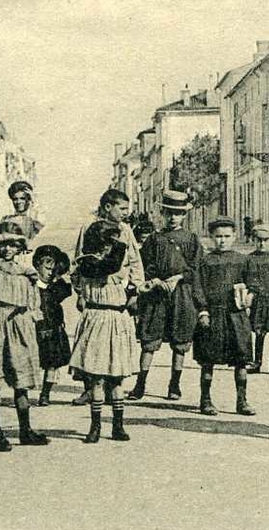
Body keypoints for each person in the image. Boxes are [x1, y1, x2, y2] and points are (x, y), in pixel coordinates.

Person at [0, 221, 49, 449]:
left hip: (20, 326)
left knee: (21, 380)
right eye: (3, 244)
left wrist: (33, 324)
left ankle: (25, 430)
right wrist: (4, 235)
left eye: (12, 245)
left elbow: (35, 304)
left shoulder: (28, 273)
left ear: (20, 248)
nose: (7, 249)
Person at [70, 219, 138, 443]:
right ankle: (95, 425)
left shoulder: (117, 265)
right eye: (106, 242)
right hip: (97, 319)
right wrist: (119, 243)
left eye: (111, 243)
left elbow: (121, 268)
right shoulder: (89, 263)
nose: (109, 247)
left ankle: (118, 426)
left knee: (117, 379)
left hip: (116, 320)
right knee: (97, 378)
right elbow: (106, 266)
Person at [130, 190, 200, 400]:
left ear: (184, 216)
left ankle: (174, 385)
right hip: (157, 296)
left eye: (177, 214)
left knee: (180, 340)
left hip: (181, 294)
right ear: (163, 213)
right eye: (169, 213)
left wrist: (178, 278)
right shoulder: (155, 239)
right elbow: (144, 265)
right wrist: (155, 281)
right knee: (149, 339)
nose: (173, 218)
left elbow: (196, 268)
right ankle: (140, 384)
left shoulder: (191, 239)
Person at [192, 218, 256, 416]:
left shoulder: (243, 259)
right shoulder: (205, 261)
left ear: (234, 237)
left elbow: (253, 283)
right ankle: (206, 400)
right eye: (218, 236)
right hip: (213, 315)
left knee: (241, 358)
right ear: (211, 237)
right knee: (208, 358)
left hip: (236, 316)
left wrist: (250, 296)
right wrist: (203, 310)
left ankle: (242, 400)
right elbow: (198, 287)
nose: (222, 241)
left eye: (226, 236)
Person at [32, 244, 73, 405]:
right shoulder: (32, 285)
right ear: (37, 265)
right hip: (35, 327)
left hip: (53, 328)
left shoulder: (56, 287)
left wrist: (60, 277)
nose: (50, 272)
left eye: (53, 269)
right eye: (47, 268)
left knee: (52, 363)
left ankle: (45, 393)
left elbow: (65, 291)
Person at [246, 224, 269, 374]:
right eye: (258, 240)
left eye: (266, 240)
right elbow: (247, 279)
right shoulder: (249, 259)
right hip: (258, 300)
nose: (262, 244)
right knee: (259, 332)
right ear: (253, 240)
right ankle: (256, 362)